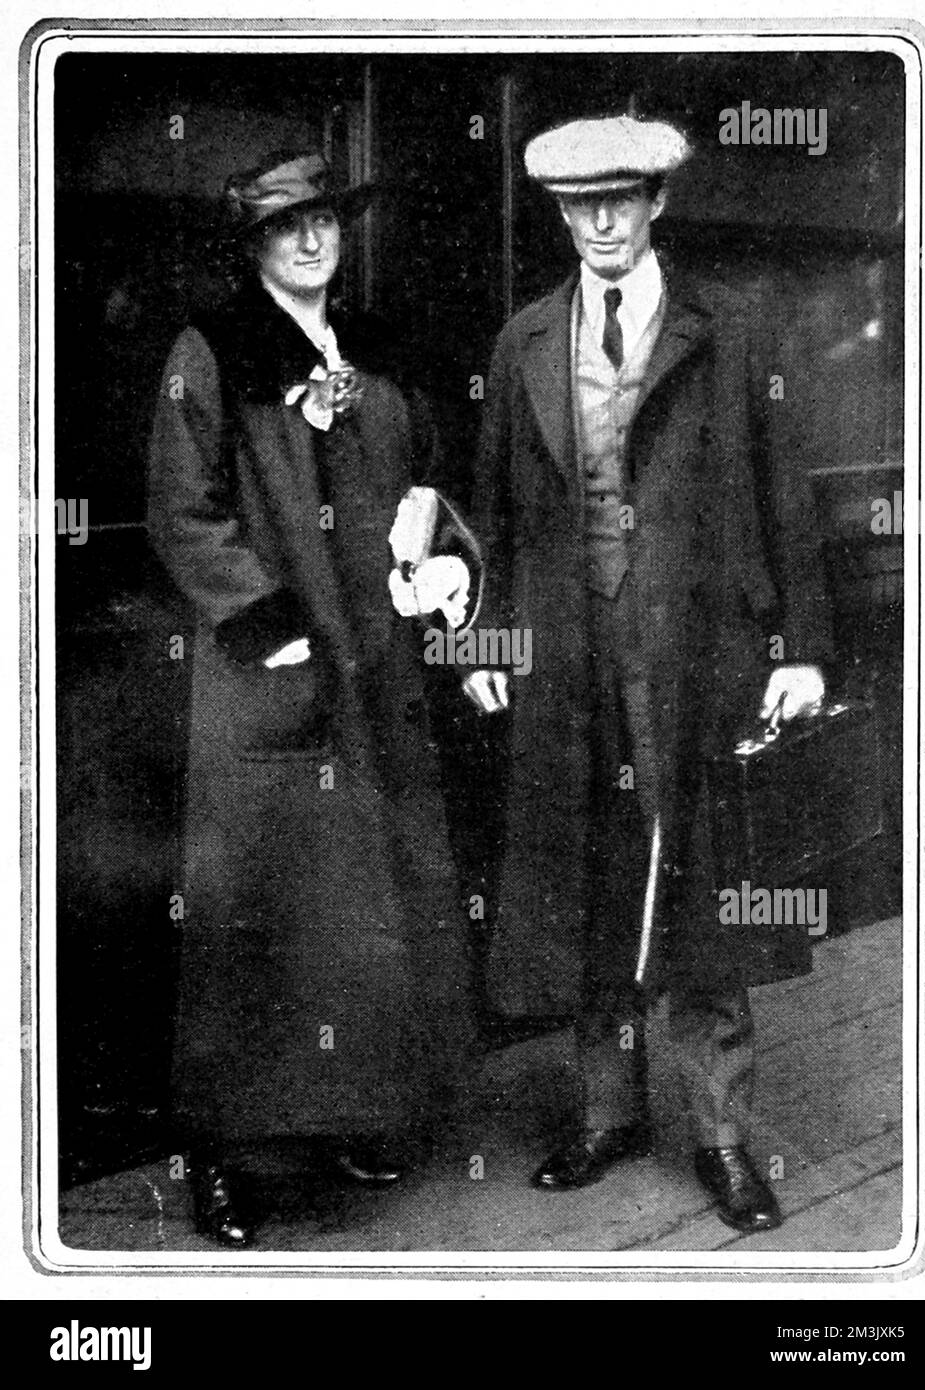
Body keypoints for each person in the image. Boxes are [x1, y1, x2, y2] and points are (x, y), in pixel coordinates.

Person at [462, 115, 832, 1233]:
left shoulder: (731, 329)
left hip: (698, 655)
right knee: (587, 886)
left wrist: (802, 648)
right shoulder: (522, 339)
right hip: (569, 661)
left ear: (657, 201)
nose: (604, 222)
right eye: (582, 206)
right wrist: (483, 641)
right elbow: (490, 519)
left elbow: (787, 493)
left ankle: (722, 1140)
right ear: (560, 215)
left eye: (622, 198)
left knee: (704, 897)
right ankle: (605, 1114)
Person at [147, 150, 475, 1248]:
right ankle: (222, 1159)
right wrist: (266, 625)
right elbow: (184, 516)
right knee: (257, 920)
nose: (308, 241)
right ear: (252, 246)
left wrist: (440, 567)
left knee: (361, 914)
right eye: (285, 227)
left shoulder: (376, 350)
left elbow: (429, 481)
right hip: (274, 682)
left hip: (375, 676)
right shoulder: (212, 353)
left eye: (323, 220)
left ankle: (346, 1117)